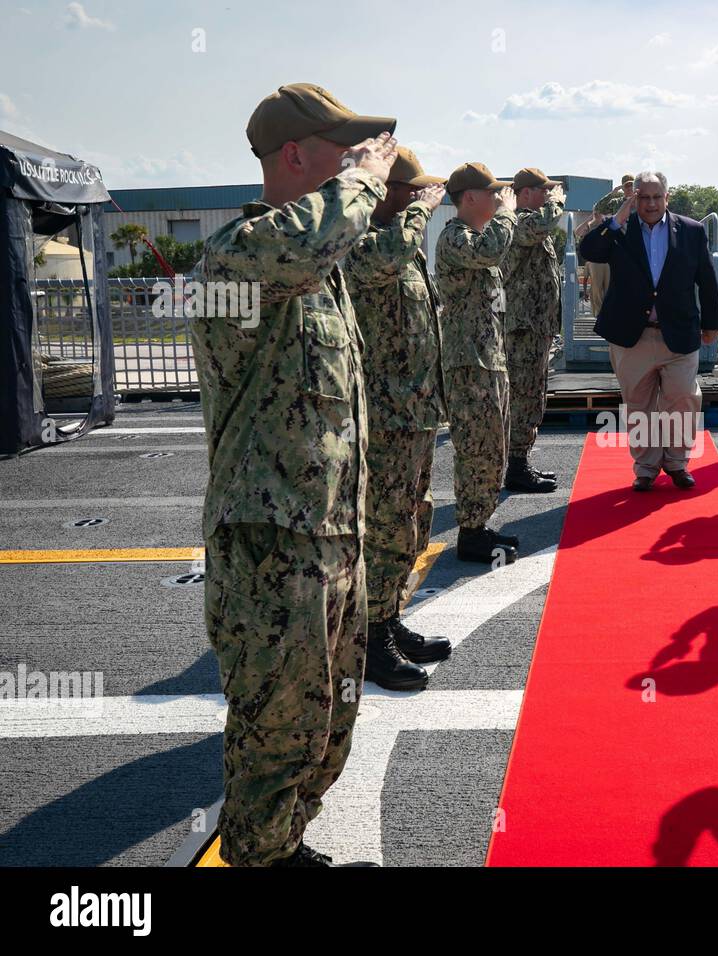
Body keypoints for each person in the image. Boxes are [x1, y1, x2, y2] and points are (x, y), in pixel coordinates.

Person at [193, 83, 397, 866]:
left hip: (332, 540)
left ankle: (284, 846)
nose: (358, 161)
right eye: (343, 149)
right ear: (295, 155)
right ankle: (257, 856)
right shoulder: (239, 260)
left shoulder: (323, 268)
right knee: (275, 731)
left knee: (325, 726)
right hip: (271, 548)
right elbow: (305, 240)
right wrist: (363, 184)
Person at [344, 146, 453, 692]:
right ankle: (369, 639)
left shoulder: (404, 249)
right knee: (384, 526)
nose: (421, 203)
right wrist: (415, 213)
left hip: (414, 412)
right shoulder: (362, 241)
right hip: (383, 415)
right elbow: (380, 259)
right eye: (412, 192)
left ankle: (387, 617)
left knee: (410, 520)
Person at [578, 170, 718, 491]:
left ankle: (677, 462)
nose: (651, 203)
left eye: (657, 197)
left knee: (682, 398)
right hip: (632, 335)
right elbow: (589, 250)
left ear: (667, 198)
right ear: (634, 198)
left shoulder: (691, 231)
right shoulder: (619, 231)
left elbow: (707, 280)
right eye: (644, 197)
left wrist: (712, 323)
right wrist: (616, 219)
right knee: (638, 404)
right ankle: (645, 466)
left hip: (678, 333)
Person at [435, 162, 519, 563]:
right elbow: (490, 253)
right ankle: (470, 532)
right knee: (476, 448)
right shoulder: (457, 238)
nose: (500, 199)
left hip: (487, 359)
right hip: (469, 363)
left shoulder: (476, 236)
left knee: (493, 447)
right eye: (493, 193)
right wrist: (507, 215)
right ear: (470, 198)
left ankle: (479, 523)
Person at [502, 168, 566, 494]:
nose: (548, 196)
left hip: (536, 328)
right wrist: (556, 204)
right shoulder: (519, 222)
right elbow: (543, 224)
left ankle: (520, 461)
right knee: (524, 396)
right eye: (543, 191)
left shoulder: (531, 223)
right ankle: (515, 466)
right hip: (523, 329)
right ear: (525, 193)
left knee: (532, 395)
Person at [581, 174, 634, 316]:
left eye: (632, 185)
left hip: (636, 245)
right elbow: (598, 207)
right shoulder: (617, 202)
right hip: (619, 245)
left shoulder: (640, 201)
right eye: (627, 185)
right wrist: (613, 192)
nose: (629, 188)